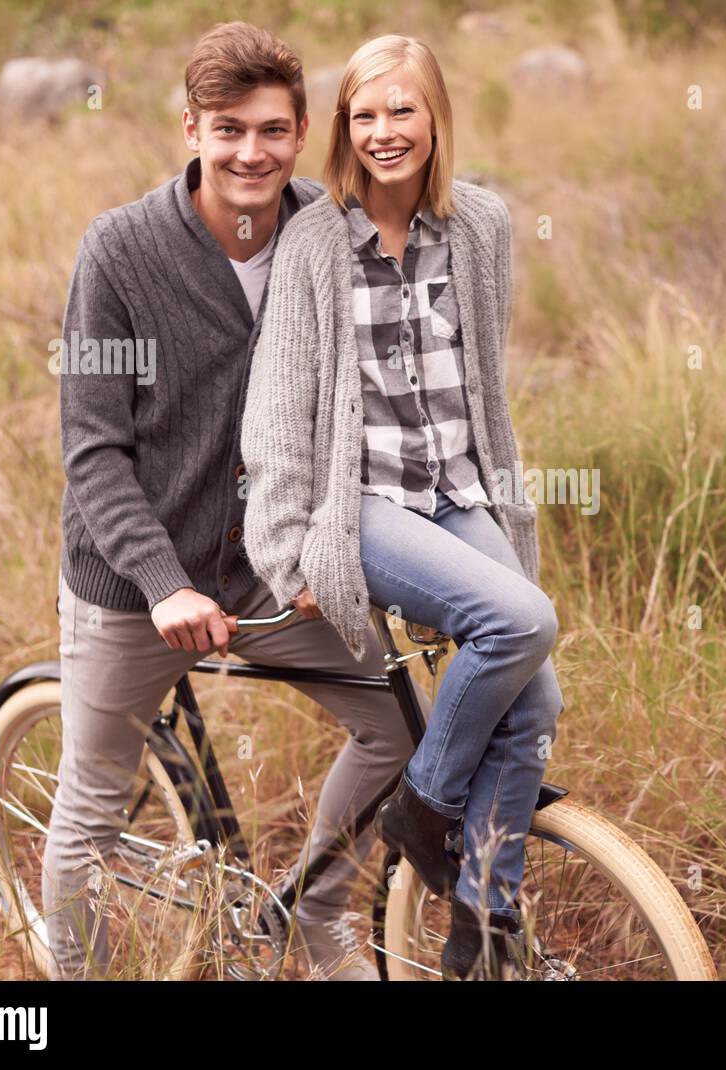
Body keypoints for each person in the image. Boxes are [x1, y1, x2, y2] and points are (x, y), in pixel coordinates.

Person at [45, 21, 421, 981]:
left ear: (301, 135)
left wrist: (321, 552)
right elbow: (93, 452)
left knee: (396, 721)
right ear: (191, 130)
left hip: (273, 574)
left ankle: (317, 908)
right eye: (227, 129)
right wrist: (167, 584)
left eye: (271, 130)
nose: (249, 152)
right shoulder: (120, 251)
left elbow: (360, 410)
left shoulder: (326, 234)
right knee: (90, 812)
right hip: (136, 590)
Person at [241, 33, 565, 980]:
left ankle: (482, 924)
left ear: (436, 118)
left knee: (536, 699)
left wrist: (499, 513)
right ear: (344, 127)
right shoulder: (311, 244)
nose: (384, 132)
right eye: (365, 114)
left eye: (403, 110)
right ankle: (422, 806)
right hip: (362, 506)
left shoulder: (482, 227)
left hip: (454, 489)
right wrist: (292, 553)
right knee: (522, 621)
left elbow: (482, 387)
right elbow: (276, 413)